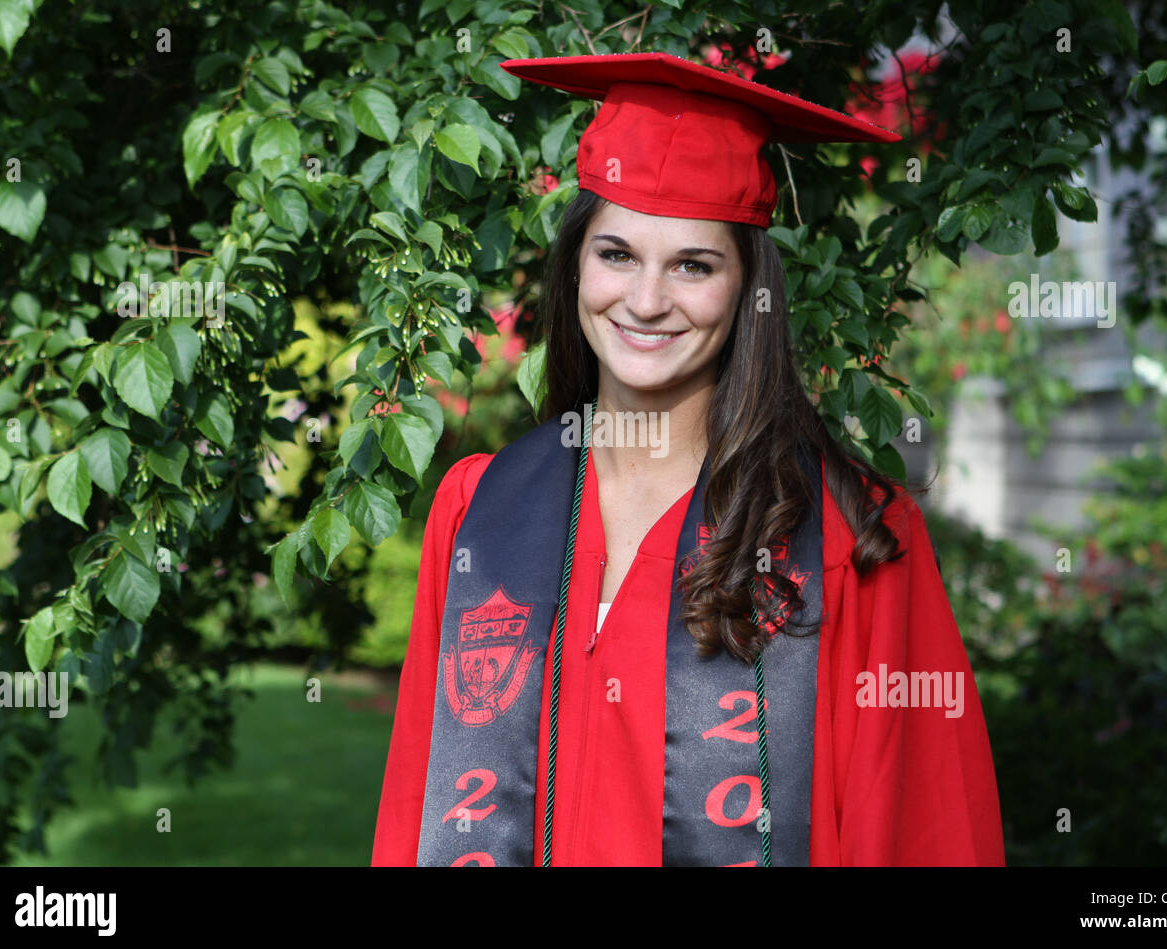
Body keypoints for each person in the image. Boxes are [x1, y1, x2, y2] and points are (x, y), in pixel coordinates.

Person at [371, 52, 1004, 866]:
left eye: (694, 266)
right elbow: (414, 806)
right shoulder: (479, 513)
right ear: (574, 267)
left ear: (748, 289)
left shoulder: (852, 538)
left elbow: (929, 830)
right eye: (617, 254)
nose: (645, 301)